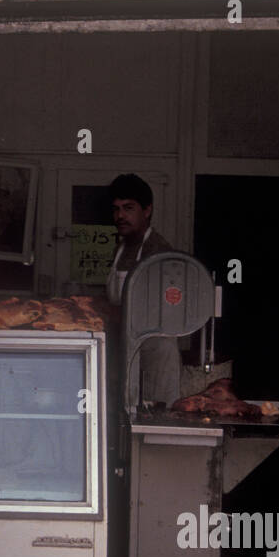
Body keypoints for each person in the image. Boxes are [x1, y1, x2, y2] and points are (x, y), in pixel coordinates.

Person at [108, 174, 183, 406]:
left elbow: (171, 311)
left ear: (147, 210)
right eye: (116, 209)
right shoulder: (121, 248)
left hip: (155, 354)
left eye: (128, 208)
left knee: (154, 422)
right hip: (127, 349)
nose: (120, 216)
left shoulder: (159, 252)